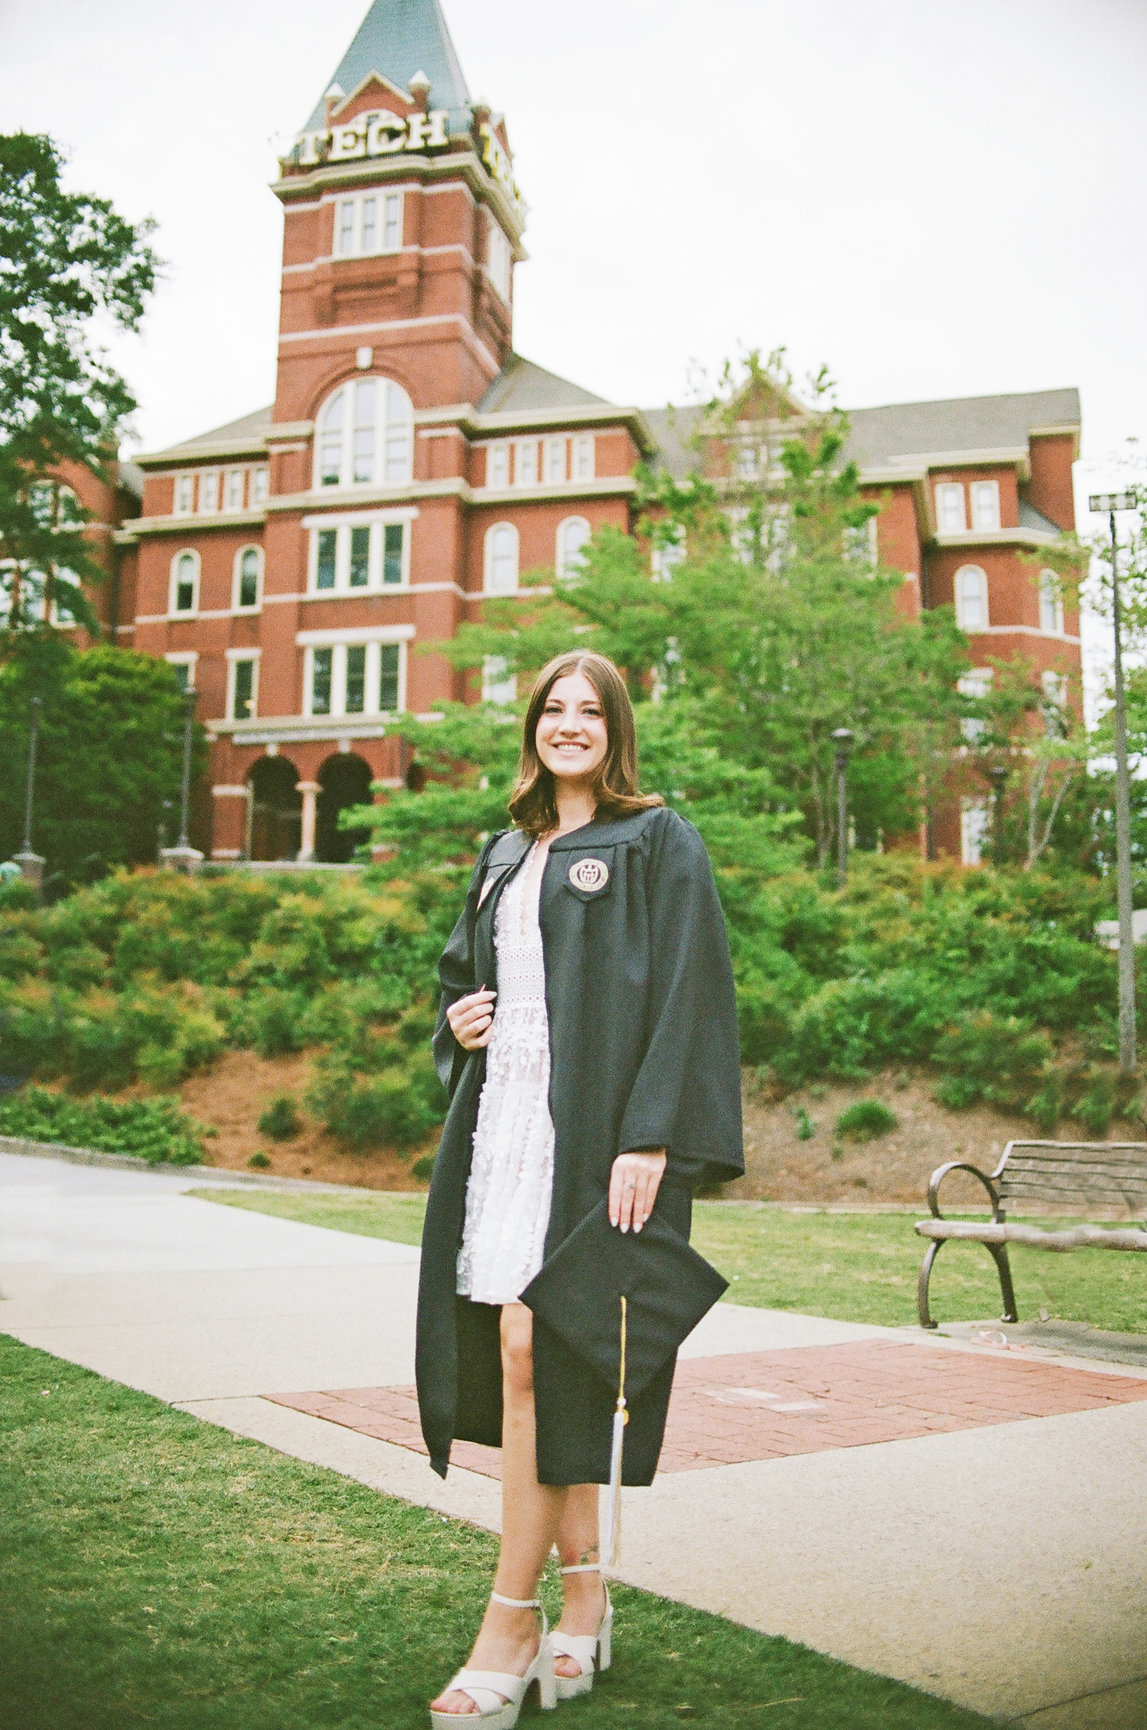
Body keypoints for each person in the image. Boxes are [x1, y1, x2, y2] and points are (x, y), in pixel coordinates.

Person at [419, 650, 744, 1726]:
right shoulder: (505, 847)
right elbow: (466, 974)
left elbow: (694, 990)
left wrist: (653, 1135)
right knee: (528, 1354)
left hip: (600, 1134)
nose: (568, 724)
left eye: (587, 710)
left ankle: (509, 1619)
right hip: (509, 1128)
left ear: (614, 729)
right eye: (551, 708)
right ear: (532, 727)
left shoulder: (656, 839)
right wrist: (459, 1018)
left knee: (544, 1345)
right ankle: (587, 1596)